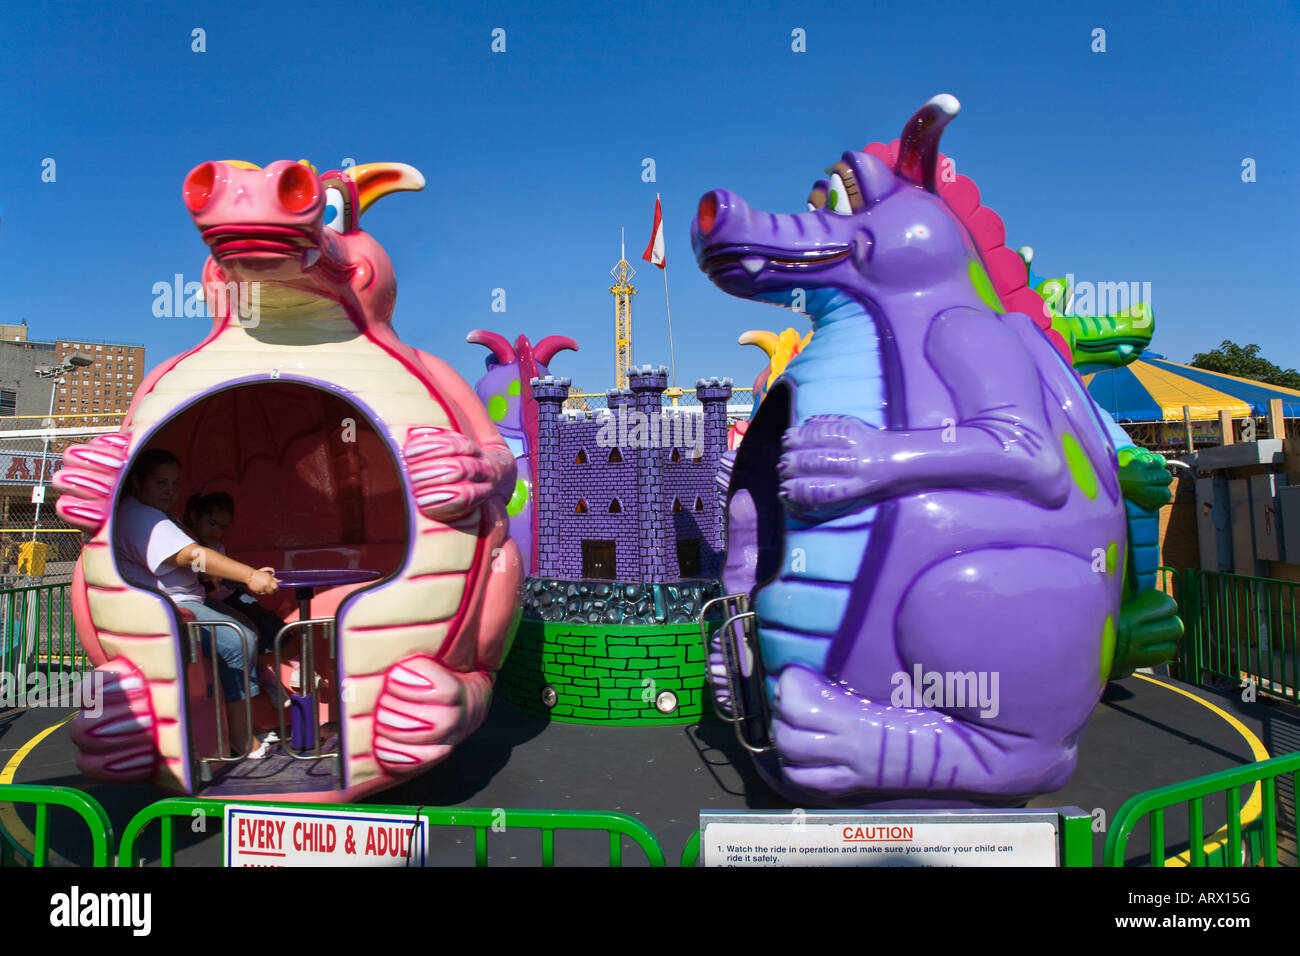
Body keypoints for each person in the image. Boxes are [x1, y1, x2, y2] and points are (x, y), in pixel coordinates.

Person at [115, 448, 280, 758]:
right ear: (138, 482)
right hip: (172, 609)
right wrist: (249, 576)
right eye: (161, 483)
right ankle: (242, 739)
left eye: (175, 484)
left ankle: (244, 722)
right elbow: (191, 555)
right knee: (236, 639)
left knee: (250, 628)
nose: (170, 491)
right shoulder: (140, 515)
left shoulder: (157, 513)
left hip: (189, 599)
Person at [182, 491, 290, 703]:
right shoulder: (190, 547)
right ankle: (265, 676)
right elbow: (200, 569)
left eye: (222, 527)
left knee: (269, 625)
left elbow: (224, 578)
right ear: (195, 518)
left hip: (230, 595)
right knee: (243, 633)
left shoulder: (217, 547)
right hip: (213, 601)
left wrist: (248, 577)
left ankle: (289, 670)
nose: (216, 531)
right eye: (212, 524)